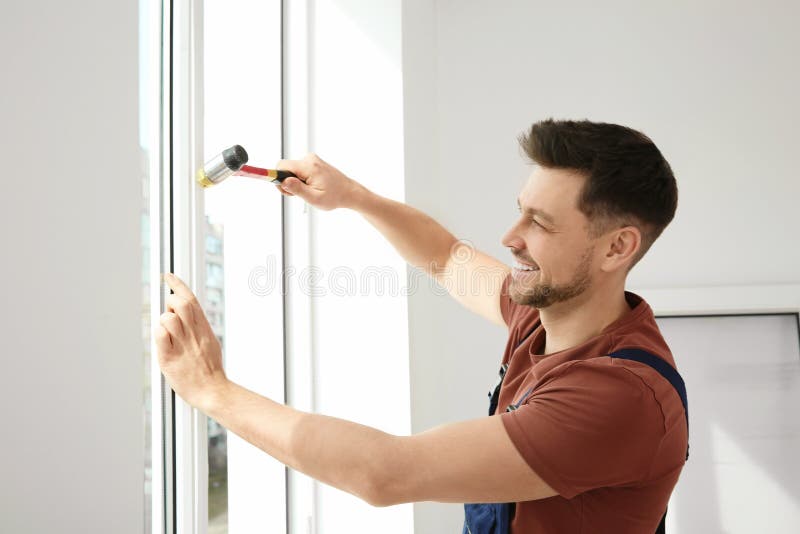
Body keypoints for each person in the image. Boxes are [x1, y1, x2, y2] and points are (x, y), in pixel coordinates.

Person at [156, 118, 687, 533]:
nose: (510, 236)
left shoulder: (620, 396)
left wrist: (212, 392)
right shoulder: (547, 309)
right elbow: (446, 256)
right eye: (521, 211)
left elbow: (386, 472)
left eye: (540, 223)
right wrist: (352, 195)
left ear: (617, 247)